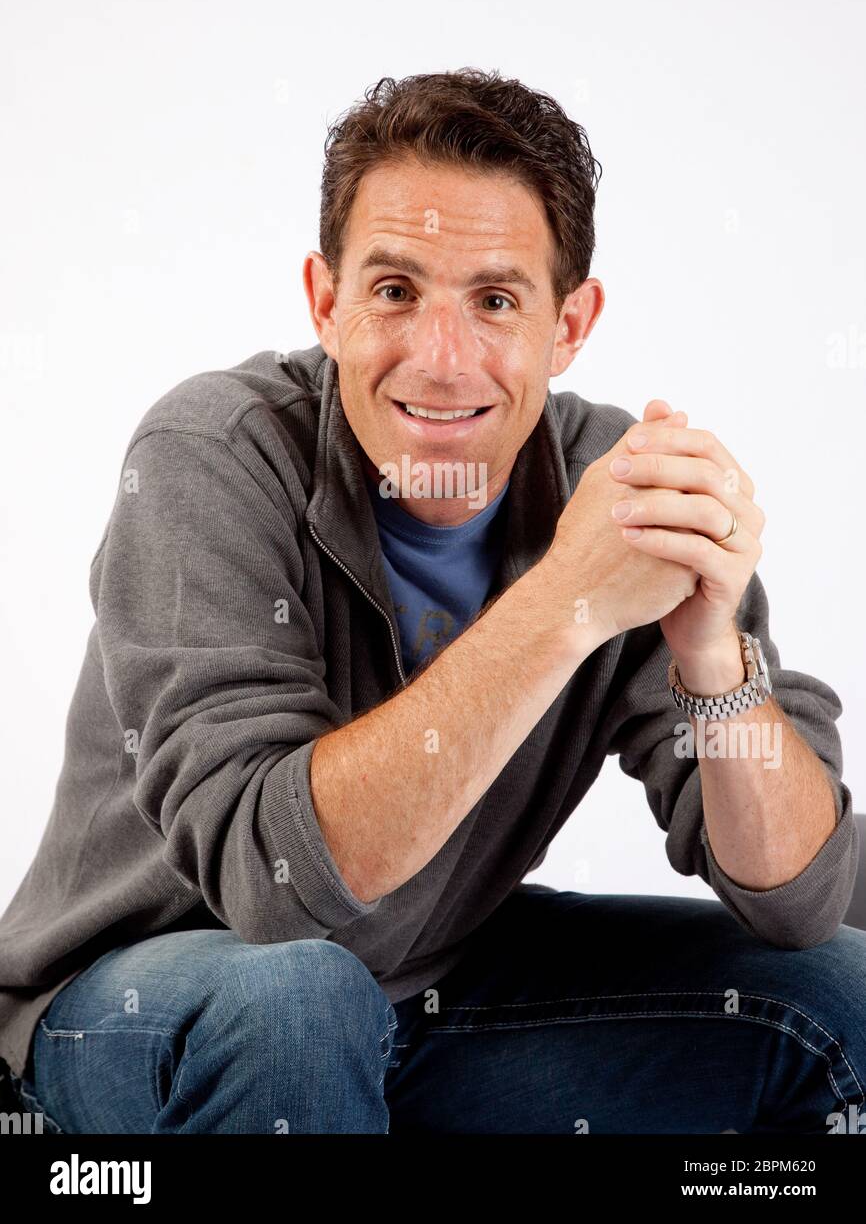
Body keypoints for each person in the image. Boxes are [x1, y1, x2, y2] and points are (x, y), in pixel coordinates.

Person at [1, 69, 863, 1134]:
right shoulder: (209, 454)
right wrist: (564, 604)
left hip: (432, 998)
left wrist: (708, 660)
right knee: (300, 1001)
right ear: (325, 299)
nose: (440, 360)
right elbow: (278, 895)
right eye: (395, 290)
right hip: (141, 1003)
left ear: (570, 323)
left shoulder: (609, 486)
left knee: (841, 994)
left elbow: (799, 897)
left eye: (495, 300)